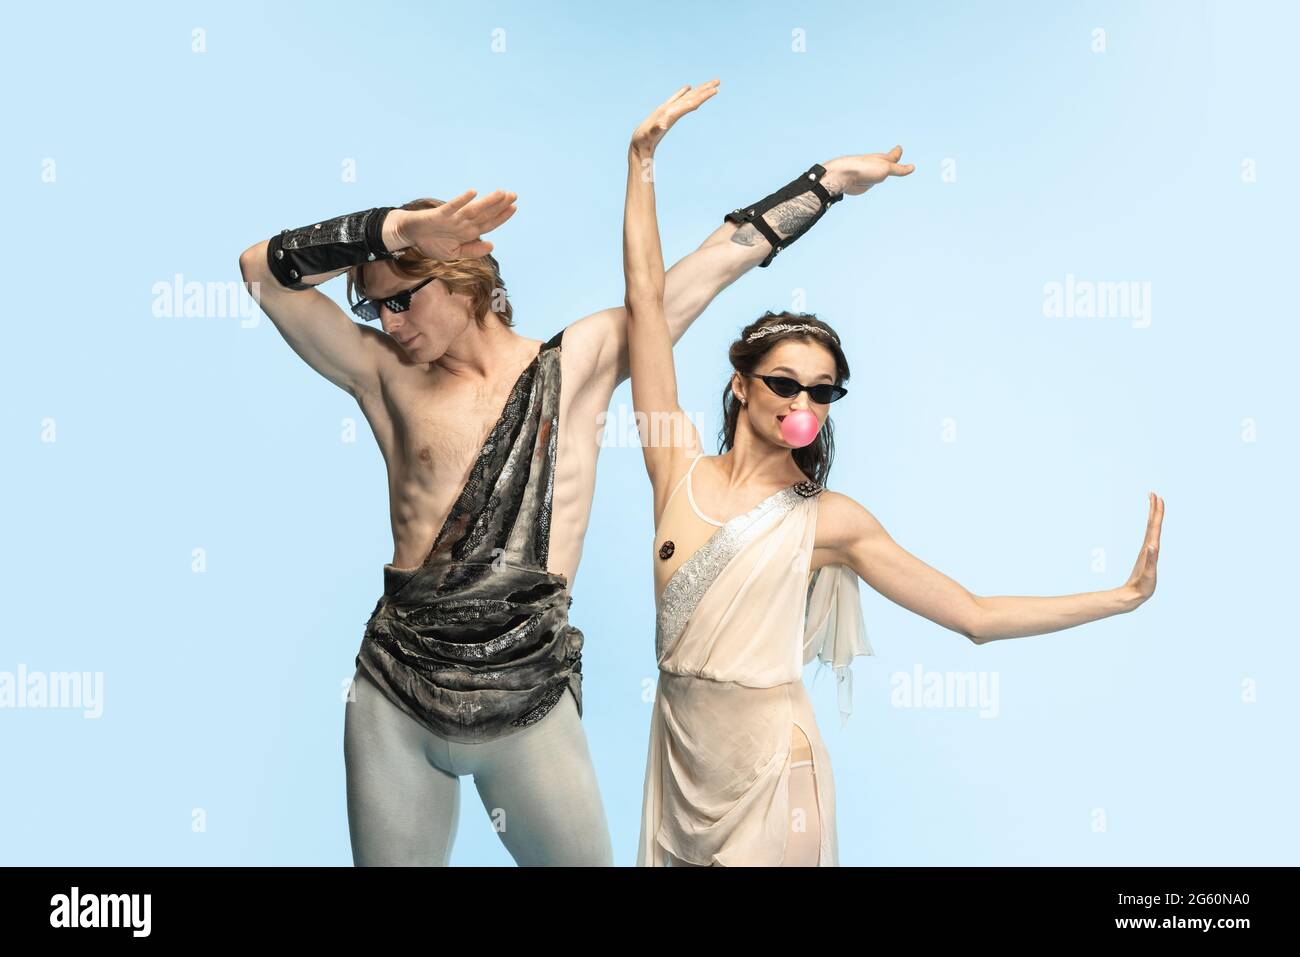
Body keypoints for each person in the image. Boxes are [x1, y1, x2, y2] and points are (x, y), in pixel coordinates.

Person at [237, 79, 912, 865]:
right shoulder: (382, 374)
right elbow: (259, 269)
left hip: (529, 697)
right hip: (394, 690)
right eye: (373, 308)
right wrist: (390, 228)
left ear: (463, 269)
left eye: (401, 300)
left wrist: (824, 184)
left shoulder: (576, 365)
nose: (388, 323)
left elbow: (705, 271)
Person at [620, 86, 1165, 866]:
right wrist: (641, 163)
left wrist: (1119, 597)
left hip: (775, 769)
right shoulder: (673, 465)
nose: (801, 402)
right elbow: (646, 306)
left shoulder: (829, 519)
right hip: (678, 761)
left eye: (821, 391)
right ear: (741, 383)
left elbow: (972, 614)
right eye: (784, 382)